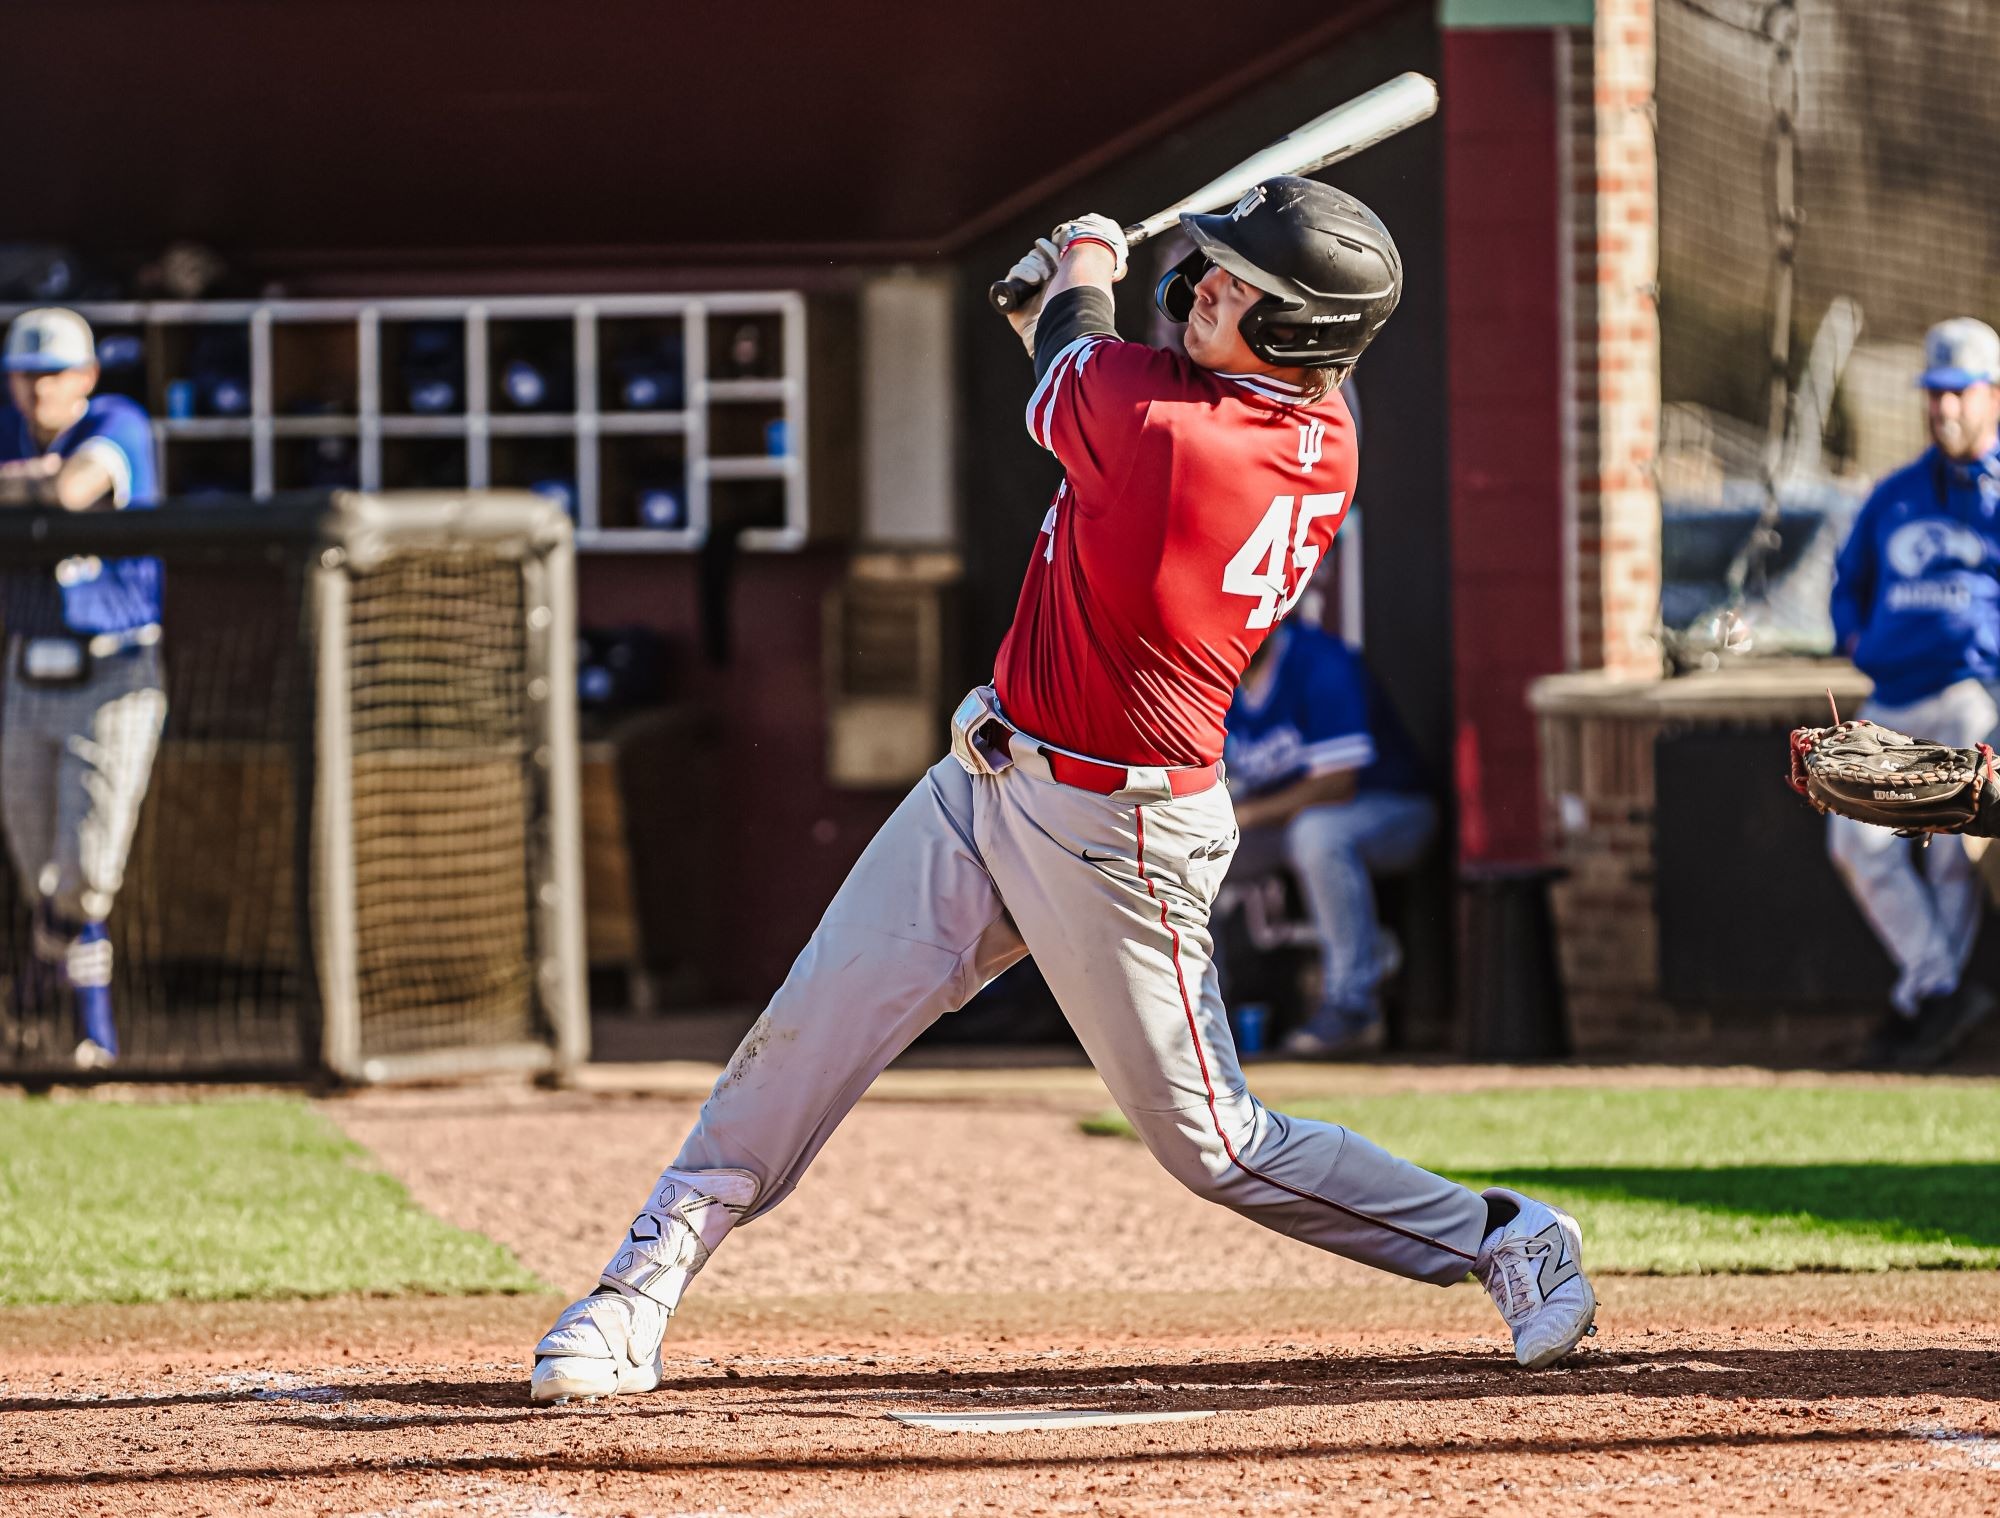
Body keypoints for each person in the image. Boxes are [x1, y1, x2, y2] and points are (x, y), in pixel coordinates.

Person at [531, 178, 1597, 1402]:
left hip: (1119, 834)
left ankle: (1504, 1236)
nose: (1203, 290)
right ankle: (637, 1288)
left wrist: (1079, 254)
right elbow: (1090, 352)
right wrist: (1067, 301)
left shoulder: (1168, 436)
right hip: (983, 781)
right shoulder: (1310, 427)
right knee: (805, 1029)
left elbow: (1084, 354)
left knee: (1216, 1148)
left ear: (1297, 335)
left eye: (1239, 288)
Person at [1828, 316, 2000, 1068]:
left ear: (1992, 396)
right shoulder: (1895, 492)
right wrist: (1857, 640)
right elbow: (1847, 585)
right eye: (1934, 393)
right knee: (1853, 837)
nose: (1943, 409)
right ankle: (1941, 992)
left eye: (1958, 393)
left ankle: (1927, 1004)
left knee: (1955, 850)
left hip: (1970, 693)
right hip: (1893, 701)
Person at [0, 308, 167, 1068]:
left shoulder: (118, 418)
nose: (43, 389)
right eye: (30, 374)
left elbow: (75, 489)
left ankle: (68, 1010)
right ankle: (82, 1038)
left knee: (89, 874)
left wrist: (30, 488)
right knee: (39, 867)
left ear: (87, 377)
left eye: (58, 373)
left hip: (114, 670)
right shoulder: (7, 429)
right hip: (28, 665)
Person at [1224, 623, 1436, 1056]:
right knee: (1192, 851)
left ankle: (1351, 1007)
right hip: (1286, 820)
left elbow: (1337, 784)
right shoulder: (1217, 679)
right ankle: (1196, 1016)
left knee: (1317, 834)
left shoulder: (1320, 662)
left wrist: (1244, 814)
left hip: (1394, 810)